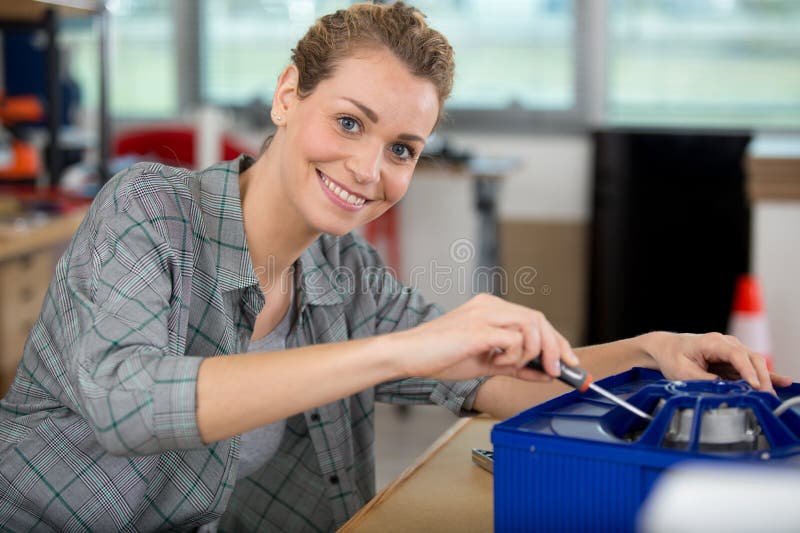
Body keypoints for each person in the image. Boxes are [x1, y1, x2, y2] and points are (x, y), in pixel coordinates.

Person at [0, 2, 789, 531]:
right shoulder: (148, 209)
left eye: (401, 148)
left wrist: (647, 352)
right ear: (286, 96)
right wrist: (397, 351)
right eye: (349, 121)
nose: (369, 168)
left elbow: (485, 376)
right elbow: (126, 401)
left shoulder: (344, 273)